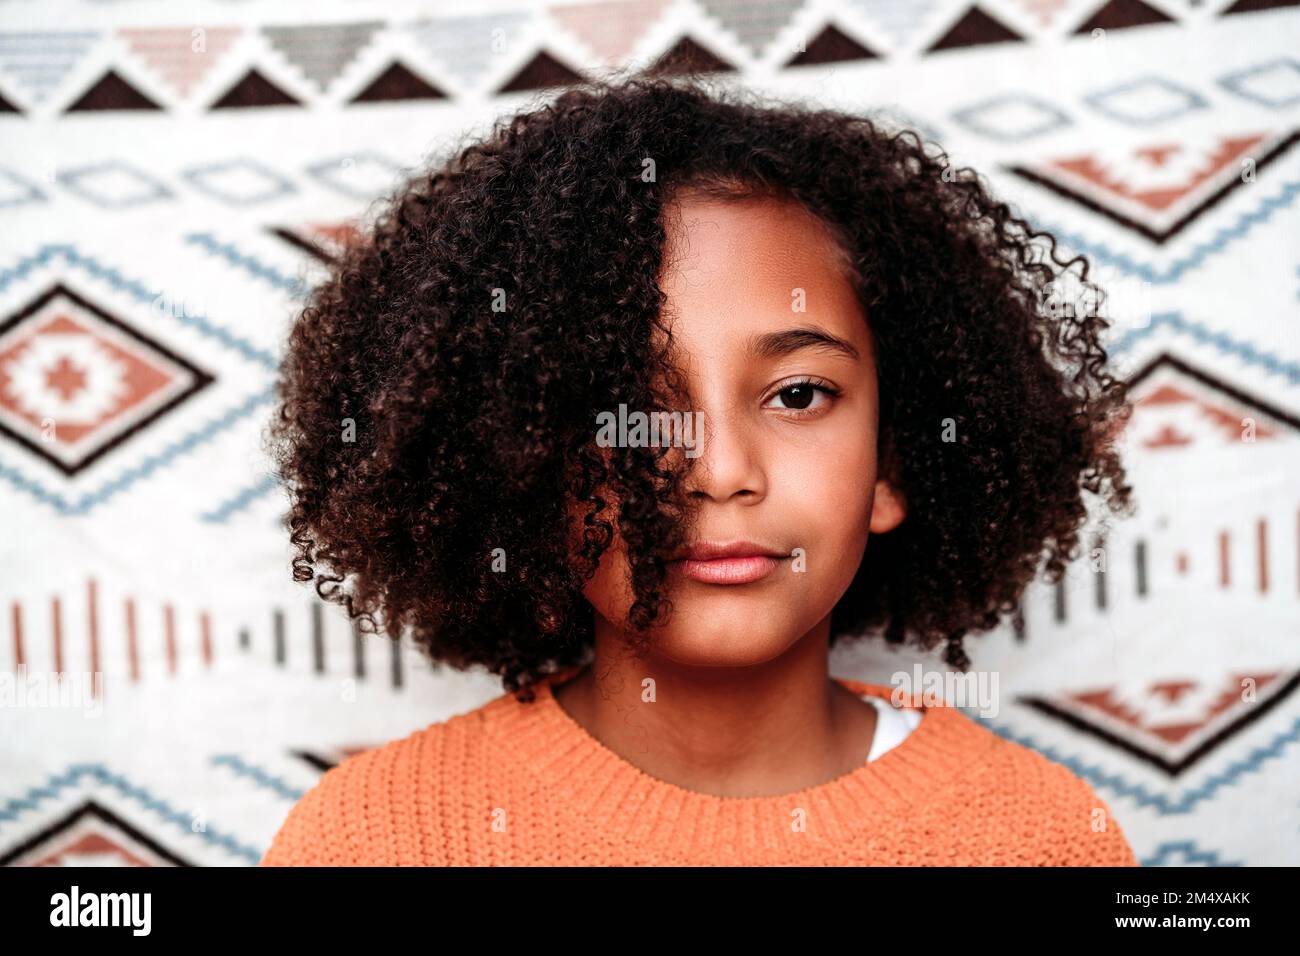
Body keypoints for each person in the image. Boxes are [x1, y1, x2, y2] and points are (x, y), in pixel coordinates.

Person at [260, 73, 1138, 866]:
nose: (718, 472)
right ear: (521, 457)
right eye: (631, 406)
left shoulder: (1038, 837)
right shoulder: (373, 842)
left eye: (798, 395)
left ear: (892, 465)